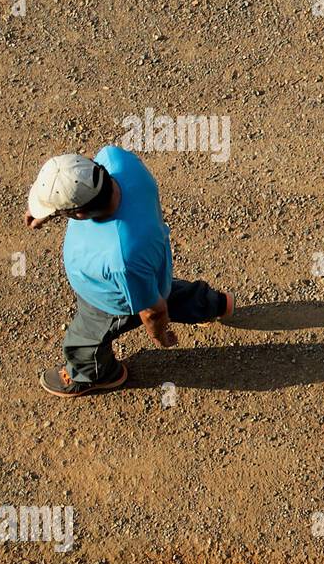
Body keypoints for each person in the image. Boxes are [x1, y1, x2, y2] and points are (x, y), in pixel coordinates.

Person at [24, 145, 233, 397]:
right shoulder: (116, 159)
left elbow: (153, 311)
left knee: (83, 342)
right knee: (163, 291)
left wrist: (159, 335)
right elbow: (81, 184)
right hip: (150, 268)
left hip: (108, 301)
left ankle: (96, 374)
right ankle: (212, 304)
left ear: (79, 213)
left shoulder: (122, 258)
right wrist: (47, 211)